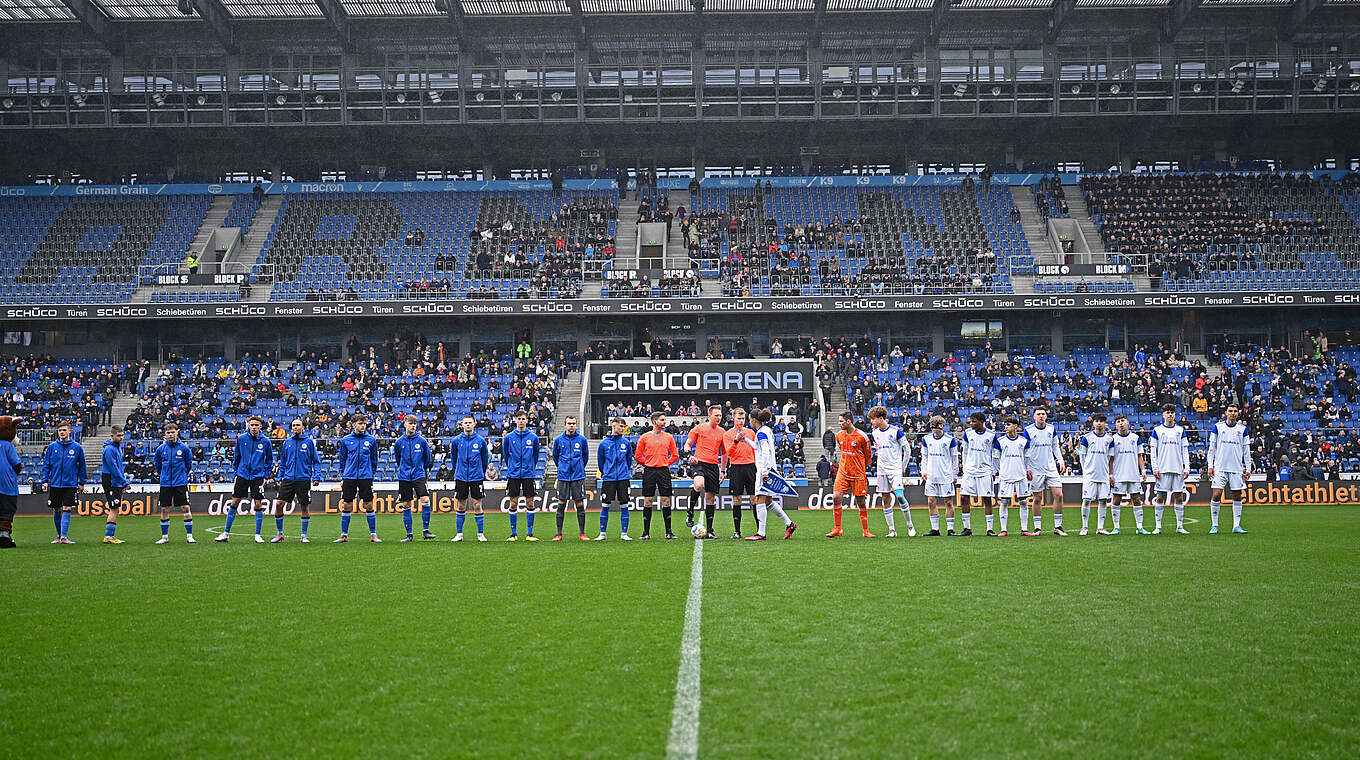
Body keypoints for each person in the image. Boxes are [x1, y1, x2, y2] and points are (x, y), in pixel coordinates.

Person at [216, 416, 274, 543]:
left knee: (258, 504)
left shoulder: (266, 441)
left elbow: (269, 460)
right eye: (251, 424)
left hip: (257, 477)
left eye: (256, 425)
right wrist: (236, 473)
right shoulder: (241, 439)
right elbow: (237, 458)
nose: (253, 427)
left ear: (260, 426)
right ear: (248, 425)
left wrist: (265, 475)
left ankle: (258, 535)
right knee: (234, 502)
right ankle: (226, 533)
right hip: (242, 475)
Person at [748, 407, 797, 540]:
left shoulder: (761, 433)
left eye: (750, 419)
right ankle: (789, 524)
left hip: (764, 469)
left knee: (759, 499)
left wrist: (764, 472)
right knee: (768, 500)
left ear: (753, 419)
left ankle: (761, 533)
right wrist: (745, 440)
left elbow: (764, 452)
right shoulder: (766, 430)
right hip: (770, 468)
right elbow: (759, 447)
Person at [867, 406, 915, 537]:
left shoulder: (896, 432)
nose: (871, 422)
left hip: (895, 469)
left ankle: (910, 524)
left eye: (873, 419)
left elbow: (907, 449)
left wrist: (903, 467)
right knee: (885, 498)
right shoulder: (875, 433)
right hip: (882, 469)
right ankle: (892, 530)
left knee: (899, 496)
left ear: (881, 418)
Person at [271, 418, 321, 543]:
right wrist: (279, 477)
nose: (295, 427)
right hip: (288, 479)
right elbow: (283, 462)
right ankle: (279, 533)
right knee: (279, 504)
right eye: (293, 425)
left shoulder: (309, 442)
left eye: (298, 425)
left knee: (304, 507)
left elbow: (316, 461)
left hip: (303, 479)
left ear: (303, 427)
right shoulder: (287, 442)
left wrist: (316, 477)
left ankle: (304, 535)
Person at [334, 413, 381, 543]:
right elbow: (342, 459)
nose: (363, 426)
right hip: (350, 476)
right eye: (360, 423)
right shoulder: (346, 440)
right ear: (353, 424)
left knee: (369, 504)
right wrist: (344, 474)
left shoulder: (371, 440)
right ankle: (344, 535)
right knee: (347, 504)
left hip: (365, 476)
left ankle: (373, 535)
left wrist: (371, 474)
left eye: (364, 423)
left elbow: (374, 459)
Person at [827, 411, 874, 538]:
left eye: (841, 421)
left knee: (861, 502)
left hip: (858, 473)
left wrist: (861, 466)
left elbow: (868, 456)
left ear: (849, 421)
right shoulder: (839, 436)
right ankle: (837, 529)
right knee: (836, 497)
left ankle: (865, 531)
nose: (839, 423)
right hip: (843, 471)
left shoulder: (862, 436)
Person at [1208, 403, 1252, 534]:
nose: (1232, 413)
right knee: (1216, 495)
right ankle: (1214, 525)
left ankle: (1236, 526)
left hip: (1236, 468)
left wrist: (1248, 468)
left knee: (1237, 496)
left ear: (1238, 413)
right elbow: (1212, 449)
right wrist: (1210, 466)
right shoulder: (1218, 427)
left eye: (1235, 411)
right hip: (1220, 467)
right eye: (1230, 411)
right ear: (1226, 412)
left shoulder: (1242, 429)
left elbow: (1246, 450)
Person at [683, 405, 726, 539]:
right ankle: (690, 511)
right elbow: (687, 444)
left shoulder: (722, 432)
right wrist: (690, 456)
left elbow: (724, 454)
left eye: (720, 415)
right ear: (709, 416)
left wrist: (723, 470)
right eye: (716, 415)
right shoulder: (699, 428)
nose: (719, 418)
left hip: (713, 466)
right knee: (699, 484)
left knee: (710, 498)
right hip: (699, 463)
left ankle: (710, 530)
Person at [635, 411, 679, 540]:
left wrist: (665, 463)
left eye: (665, 420)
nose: (665, 422)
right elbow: (638, 456)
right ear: (655, 422)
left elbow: (675, 455)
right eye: (662, 420)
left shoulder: (669, 437)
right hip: (649, 471)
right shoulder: (644, 437)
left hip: (664, 471)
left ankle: (669, 532)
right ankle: (646, 532)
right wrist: (648, 464)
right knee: (648, 501)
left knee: (666, 500)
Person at [1149, 404, 1192, 535]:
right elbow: (1153, 450)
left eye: (1172, 412)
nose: (1170, 415)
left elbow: (1185, 450)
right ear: (1163, 415)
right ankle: (1158, 526)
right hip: (1163, 469)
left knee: (1178, 497)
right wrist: (1155, 468)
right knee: (1160, 496)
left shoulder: (1180, 430)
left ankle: (1179, 526)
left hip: (1177, 469)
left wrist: (1187, 467)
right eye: (1167, 412)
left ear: (1175, 415)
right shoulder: (1157, 430)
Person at [42, 420, 86, 544]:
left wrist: (82, 482)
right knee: (56, 509)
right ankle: (58, 535)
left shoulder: (77, 447)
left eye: (64, 430)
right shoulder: (51, 447)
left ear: (69, 431)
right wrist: (44, 481)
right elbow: (46, 465)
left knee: (67, 508)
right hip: (55, 483)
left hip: (70, 484)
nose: (62, 432)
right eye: (60, 430)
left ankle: (64, 537)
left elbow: (82, 466)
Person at [1024, 408, 1067, 536]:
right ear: (1034, 417)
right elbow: (1025, 451)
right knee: (1037, 498)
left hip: (1050, 467)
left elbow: (1055, 446)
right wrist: (1027, 468)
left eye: (1043, 414)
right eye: (1038, 414)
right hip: (1035, 468)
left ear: (1046, 416)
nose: (1041, 416)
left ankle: (1058, 527)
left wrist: (1061, 460)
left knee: (1059, 494)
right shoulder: (1028, 430)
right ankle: (1037, 528)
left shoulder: (1051, 429)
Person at [450, 415, 492, 542]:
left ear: (474, 424)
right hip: (461, 477)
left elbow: (485, 459)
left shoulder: (480, 441)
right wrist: (458, 471)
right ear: (462, 425)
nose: (468, 425)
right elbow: (454, 458)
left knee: (477, 504)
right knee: (461, 505)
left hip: (476, 477)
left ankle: (480, 534)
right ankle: (459, 534)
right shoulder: (456, 441)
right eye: (465, 423)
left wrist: (480, 471)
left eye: (470, 422)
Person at [394, 416, 436, 542]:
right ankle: (409, 534)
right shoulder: (399, 442)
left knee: (425, 499)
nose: (413, 426)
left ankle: (426, 531)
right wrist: (404, 469)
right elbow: (398, 459)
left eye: (414, 424)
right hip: (404, 476)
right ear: (404, 424)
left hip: (418, 474)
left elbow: (427, 459)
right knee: (406, 503)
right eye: (410, 423)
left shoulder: (422, 441)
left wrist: (423, 470)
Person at [501, 410, 541, 542]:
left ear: (527, 420)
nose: (521, 421)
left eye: (523, 419)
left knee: (530, 502)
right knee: (513, 503)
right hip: (513, 474)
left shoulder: (533, 438)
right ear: (515, 420)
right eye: (519, 419)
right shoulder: (509, 437)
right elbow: (506, 455)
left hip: (528, 474)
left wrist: (530, 467)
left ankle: (530, 534)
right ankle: (513, 534)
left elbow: (535, 455)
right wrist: (513, 466)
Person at [153, 423, 195, 544]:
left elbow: (188, 465)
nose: (170, 435)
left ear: (177, 432)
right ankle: (164, 537)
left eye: (172, 432)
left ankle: (189, 536)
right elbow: (157, 465)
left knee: (185, 507)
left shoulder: (184, 448)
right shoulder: (161, 449)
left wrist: (182, 475)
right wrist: (164, 475)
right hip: (165, 483)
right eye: (168, 433)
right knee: (165, 509)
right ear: (165, 434)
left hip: (180, 483)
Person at [920, 415, 962, 536]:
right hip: (931, 476)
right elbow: (925, 457)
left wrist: (955, 474)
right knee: (931, 501)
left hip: (946, 476)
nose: (934, 430)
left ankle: (950, 529)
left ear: (942, 426)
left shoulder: (950, 440)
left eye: (936, 428)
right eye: (932, 428)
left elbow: (954, 459)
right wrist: (924, 471)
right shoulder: (926, 439)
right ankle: (935, 529)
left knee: (948, 502)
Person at [551, 415, 591, 541]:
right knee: (561, 503)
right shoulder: (558, 440)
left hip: (578, 477)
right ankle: (559, 534)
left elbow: (585, 457)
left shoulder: (582, 440)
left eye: (573, 423)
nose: (571, 425)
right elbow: (555, 457)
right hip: (563, 476)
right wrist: (563, 468)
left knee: (579, 503)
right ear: (565, 425)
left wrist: (578, 467)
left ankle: (582, 533)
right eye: (569, 423)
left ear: (576, 425)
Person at [960, 412, 999, 536]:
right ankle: (967, 529)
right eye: (971, 421)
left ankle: (989, 529)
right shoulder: (967, 433)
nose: (971, 424)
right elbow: (965, 451)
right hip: (970, 471)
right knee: (964, 497)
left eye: (974, 421)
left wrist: (994, 470)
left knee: (987, 499)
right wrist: (965, 467)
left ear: (982, 421)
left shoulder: (992, 435)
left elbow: (995, 454)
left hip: (985, 471)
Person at [596, 417, 635, 541]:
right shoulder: (603, 443)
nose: (623, 429)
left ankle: (624, 534)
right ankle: (602, 533)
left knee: (624, 505)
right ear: (613, 426)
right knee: (605, 505)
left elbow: (629, 461)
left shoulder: (626, 443)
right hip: (609, 479)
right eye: (621, 426)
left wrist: (624, 471)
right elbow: (600, 462)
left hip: (623, 478)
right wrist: (606, 472)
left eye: (624, 427)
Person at [722, 407, 758, 539]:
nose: (741, 421)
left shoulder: (750, 432)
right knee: (737, 499)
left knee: (754, 498)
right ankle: (737, 531)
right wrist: (736, 440)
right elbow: (728, 453)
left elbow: (756, 451)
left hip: (750, 467)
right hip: (736, 467)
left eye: (743, 418)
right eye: (738, 418)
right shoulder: (727, 434)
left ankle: (760, 530)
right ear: (733, 418)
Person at [991, 417, 1031, 536]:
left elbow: (1027, 458)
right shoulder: (1000, 441)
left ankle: (1024, 529)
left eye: (1008, 424)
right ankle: (1003, 530)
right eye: (1005, 425)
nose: (1006, 427)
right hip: (1006, 477)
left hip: (1020, 476)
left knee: (1023, 502)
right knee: (1004, 502)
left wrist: (1027, 470)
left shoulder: (1023, 441)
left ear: (1016, 426)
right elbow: (996, 459)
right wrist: (1001, 471)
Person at [1077, 414, 1115, 536]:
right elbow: (1082, 456)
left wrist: (1110, 474)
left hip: (1103, 475)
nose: (1099, 423)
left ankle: (1100, 528)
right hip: (1090, 475)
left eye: (1101, 421)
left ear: (1105, 423)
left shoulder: (1110, 439)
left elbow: (1110, 459)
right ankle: (1084, 527)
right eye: (1097, 421)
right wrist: (1086, 471)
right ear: (1093, 423)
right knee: (1086, 500)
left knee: (1103, 501)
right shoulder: (1086, 438)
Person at [1110, 414, 1147, 535]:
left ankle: (1140, 527)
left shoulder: (1135, 438)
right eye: (1118, 421)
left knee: (1136, 499)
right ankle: (1116, 527)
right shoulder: (1113, 439)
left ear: (1127, 422)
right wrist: (1110, 475)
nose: (1120, 423)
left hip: (1133, 474)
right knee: (1116, 500)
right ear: (1116, 425)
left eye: (1122, 421)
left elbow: (1139, 455)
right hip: (1118, 475)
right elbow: (1110, 459)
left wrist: (1143, 471)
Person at [98, 425, 127, 544]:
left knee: (116, 508)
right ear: (112, 436)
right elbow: (113, 468)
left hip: (115, 481)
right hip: (111, 480)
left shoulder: (117, 448)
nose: (121, 438)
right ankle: (108, 536)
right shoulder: (109, 449)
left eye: (122, 435)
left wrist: (121, 483)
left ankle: (110, 536)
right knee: (114, 508)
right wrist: (123, 482)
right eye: (118, 435)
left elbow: (119, 467)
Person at [0, 416, 20, 549]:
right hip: (7, 487)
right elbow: (17, 464)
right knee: (6, 511)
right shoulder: (8, 446)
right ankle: (4, 534)